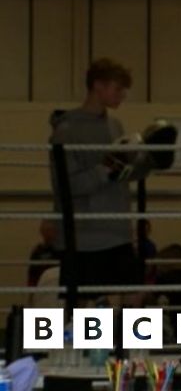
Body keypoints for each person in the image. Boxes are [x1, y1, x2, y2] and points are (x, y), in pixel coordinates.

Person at [48, 58, 146, 304]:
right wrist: (107, 167)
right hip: (84, 237)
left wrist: (151, 160)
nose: (122, 95)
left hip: (118, 231)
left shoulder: (115, 125)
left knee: (136, 297)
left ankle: (141, 344)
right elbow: (66, 186)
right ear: (98, 86)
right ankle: (91, 344)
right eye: (117, 88)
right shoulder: (66, 131)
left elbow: (122, 174)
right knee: (86, 305)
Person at [27, 220, 59, 287]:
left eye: (50, 230)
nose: (48, 233)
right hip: (42, 288)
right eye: (46, 230)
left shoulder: (60, 250)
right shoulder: (37, 252)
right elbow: (32, 276)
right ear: (41, 232)